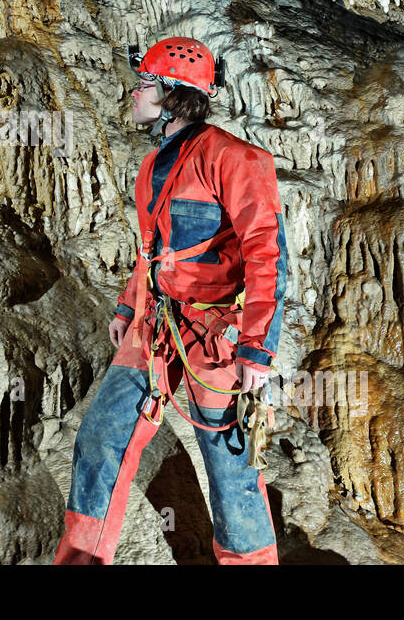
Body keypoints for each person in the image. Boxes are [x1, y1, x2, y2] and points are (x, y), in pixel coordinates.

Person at [52, 36, 288, 565]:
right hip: (156, 325)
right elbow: (154, 249)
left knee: (231, 465)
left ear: (173, 94)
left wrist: (257, 349)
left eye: (142, 85)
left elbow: (267, 254)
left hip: (217, 335)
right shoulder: (154, 164)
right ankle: (82, 560)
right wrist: (127, 305)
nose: (133, 94)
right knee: (101, 437)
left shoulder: (235, 159)